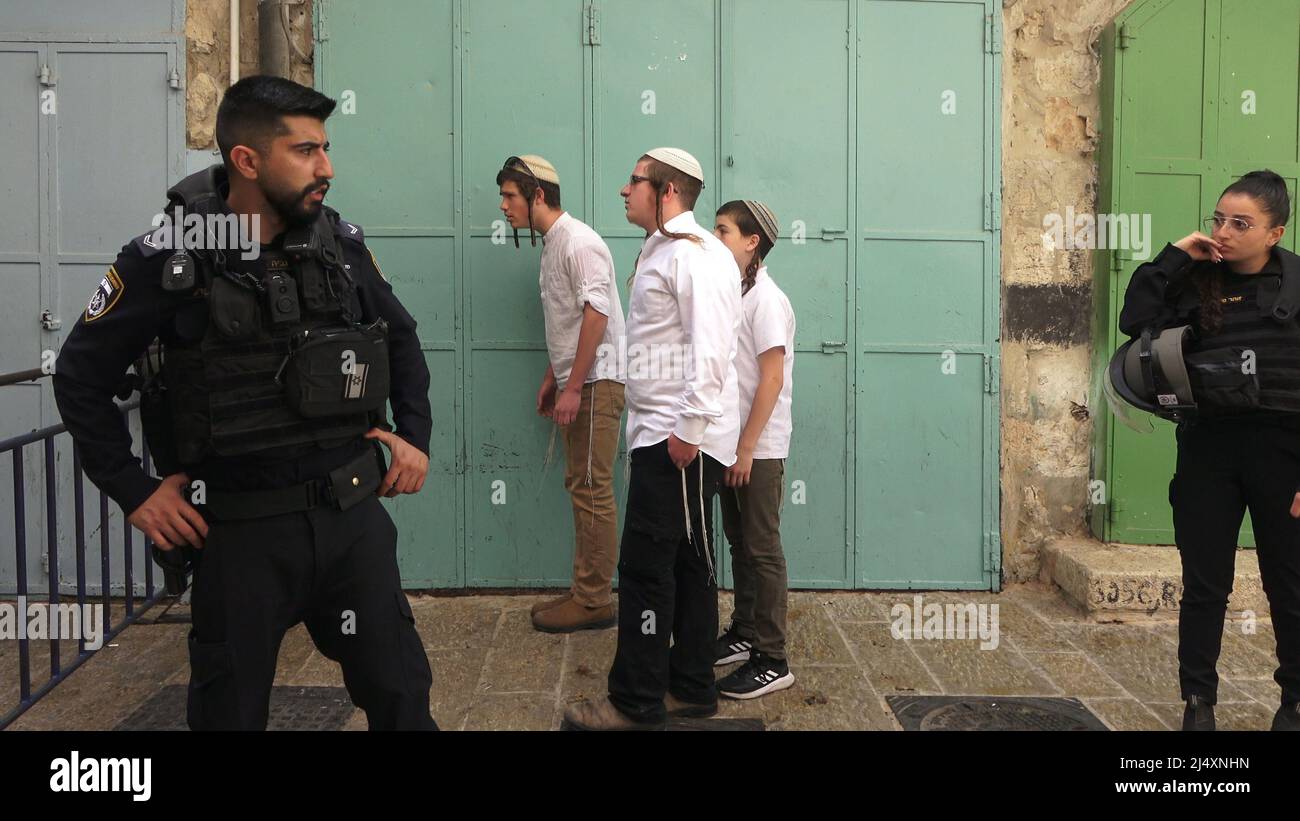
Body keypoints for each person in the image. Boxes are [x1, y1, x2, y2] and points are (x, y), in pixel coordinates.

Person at [52, 75, 438, 731]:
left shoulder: (338, 246)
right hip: (238, 533)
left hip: (351, 521)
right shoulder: (169, 258)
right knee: (228, 714)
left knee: (403, 700)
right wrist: (135, 490)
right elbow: (78, 375)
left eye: (325, 148)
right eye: (307, 151)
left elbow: (400, 338)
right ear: (247, 161)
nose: (327, 168)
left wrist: (415, 437)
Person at [563, 148, 741, 730]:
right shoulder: (663, 248)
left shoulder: (697, 256)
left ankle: (634, 701)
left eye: (633, 181)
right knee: (688, 564)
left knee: (645, 571)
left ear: (665, 191)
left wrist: (687, 431)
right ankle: (689, 686)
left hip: (677, 442)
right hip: (662, 436)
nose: (623, 190)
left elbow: (713, 347)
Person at [1118, 169, 1300, 732]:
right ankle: (1198, 701)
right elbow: (1135, 321)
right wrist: (1175, 256)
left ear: (1275, 232)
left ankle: (1294, 702)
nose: (1223, 231)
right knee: (1204, 584)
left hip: (1284, 453)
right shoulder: (1195, 281)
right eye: (1217, 219)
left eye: (1240, 223)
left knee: (1288, 582)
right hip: (1207, 449)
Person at [495, 154, 627, 633]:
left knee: (592, 489)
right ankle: (585, 590)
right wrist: (556, 376)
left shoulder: (578, 241)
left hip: (597, 383)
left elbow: (597, 314)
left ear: (538, 196)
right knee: (582, 485)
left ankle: (594, 602)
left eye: (510, 196)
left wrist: (573, 386)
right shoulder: (553, 244)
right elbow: (571, 320)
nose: (504, 207)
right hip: (580, 380)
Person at [711, 200, 796, 699]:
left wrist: (745, 448)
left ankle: (773, 657)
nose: (714, 237)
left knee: (762, 548)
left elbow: (771, 377)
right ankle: (744, 633)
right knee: (739, 541)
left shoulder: (766, 300)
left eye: (723, 231)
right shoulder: (736, 292)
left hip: (758, 447)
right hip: (735, 444)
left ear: (752, 243)